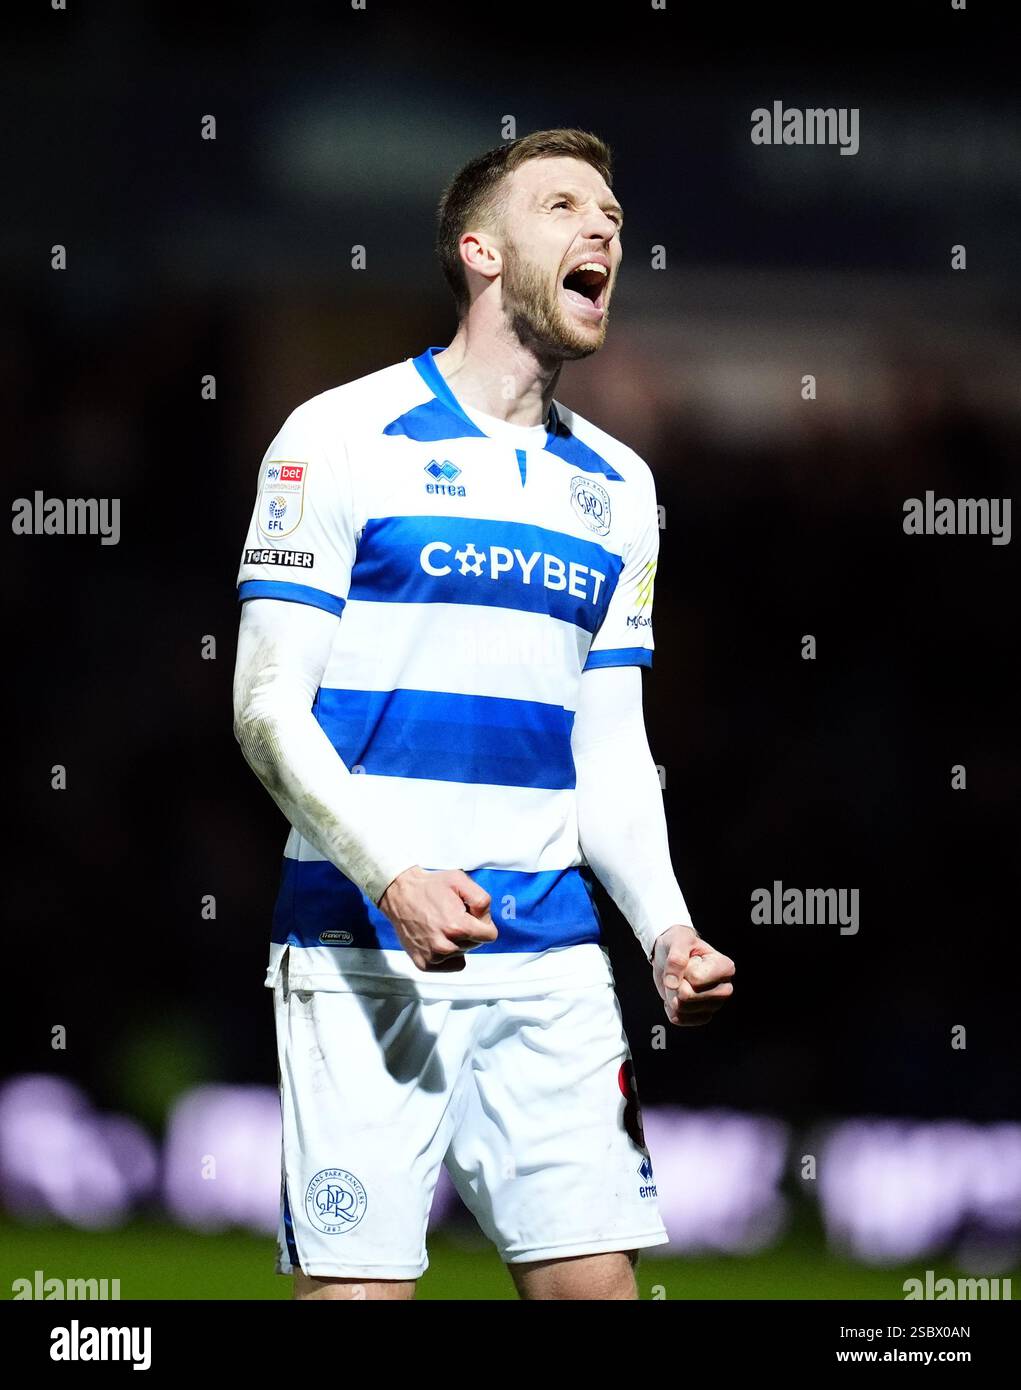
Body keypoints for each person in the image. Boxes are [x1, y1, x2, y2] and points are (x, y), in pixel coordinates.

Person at [232, 127, 735, 1301]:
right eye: (563, 206)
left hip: (551, 951)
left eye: (612, 214)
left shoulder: (619, 488)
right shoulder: (339, 435)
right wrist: (392, 872)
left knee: (595, 1294)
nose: (602, 228)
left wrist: (663, 929)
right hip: (361, 946)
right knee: (357, 1296)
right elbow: (265, 707)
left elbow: (609, 746)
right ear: (480, 252)